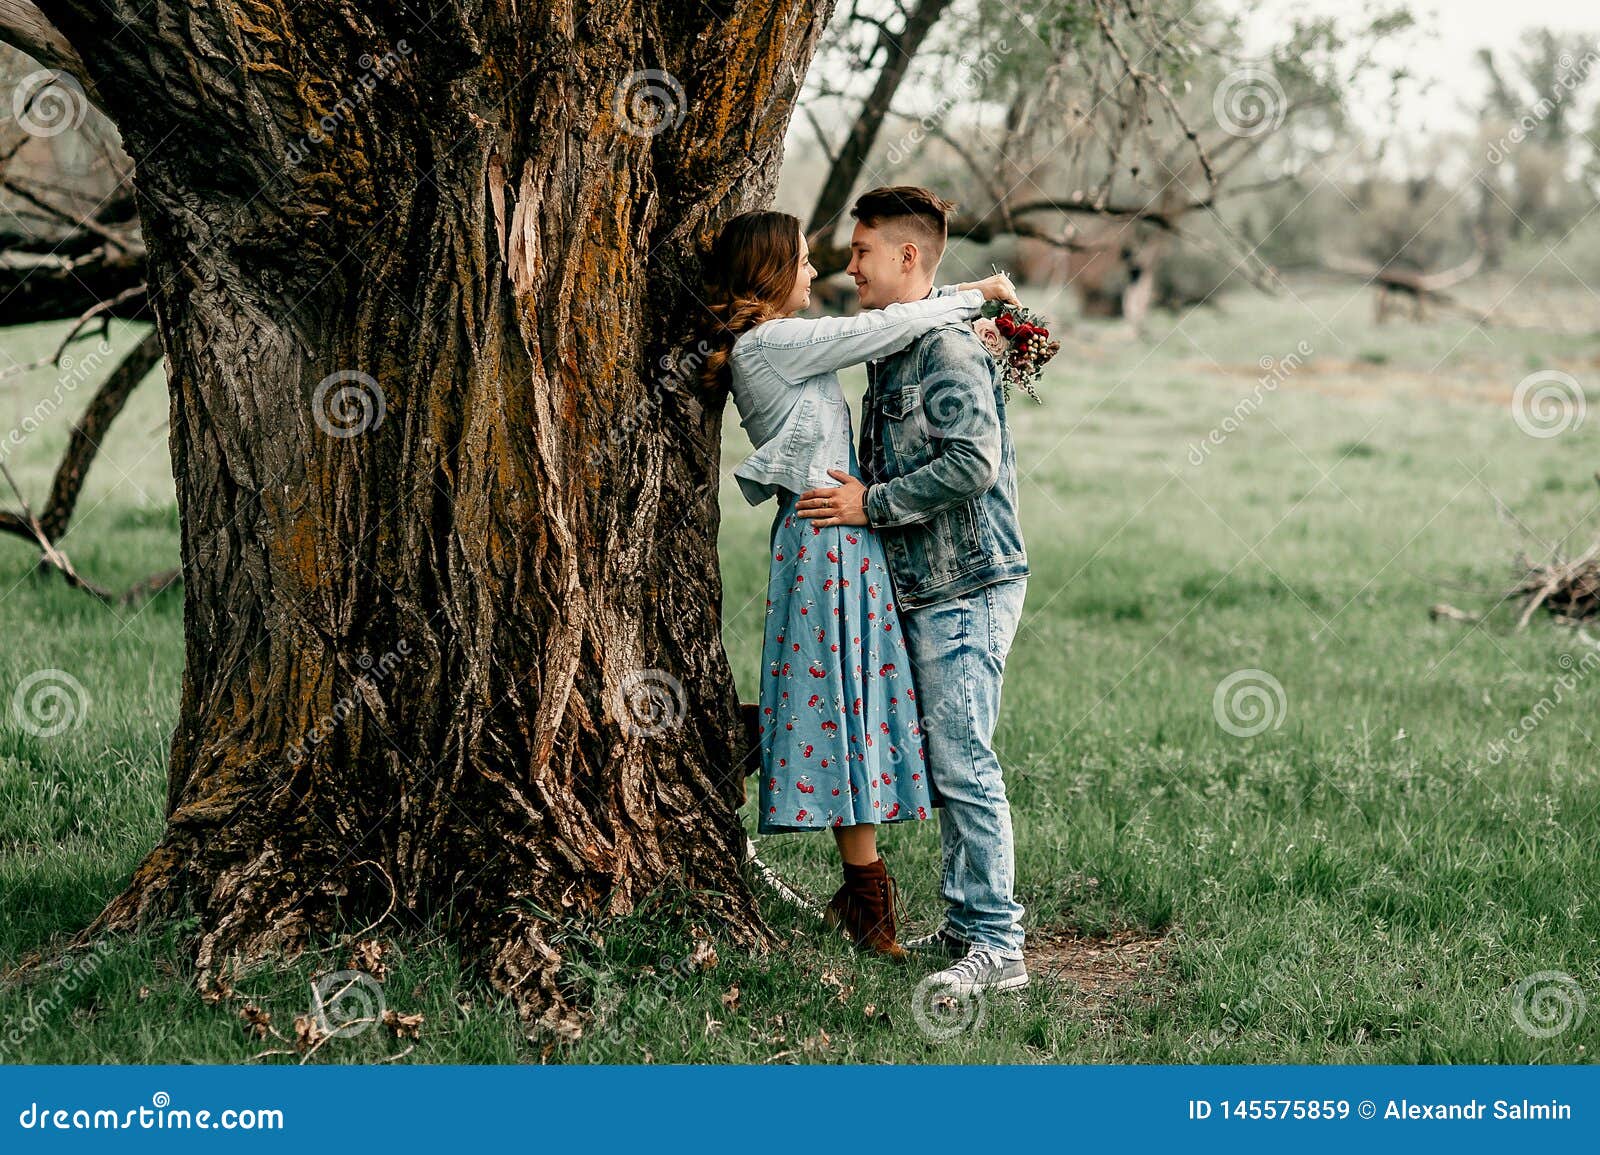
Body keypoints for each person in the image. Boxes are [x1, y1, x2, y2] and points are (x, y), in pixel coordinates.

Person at [701, 209, 1017, 958]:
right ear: (772, 275)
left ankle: (858, 883)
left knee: (854, 703)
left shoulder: (782, 345)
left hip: (848, 540)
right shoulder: (768, 344)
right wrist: (978, 293)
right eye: (806, 260)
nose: (819, 272)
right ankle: (757, 754)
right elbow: (871, 332)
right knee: (840, 702)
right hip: (823, 543)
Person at [796, 187, 1031, 994]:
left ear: (907, 257)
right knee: (947, 757)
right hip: (930, 584)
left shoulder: (946, 352)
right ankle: (968, 922)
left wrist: (871, 503)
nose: (848, 266)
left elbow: (974, 463)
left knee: (964, 759)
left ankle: (1000, 945)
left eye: (861, 252)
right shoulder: (900, 344)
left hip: (965, 582)